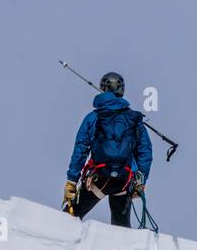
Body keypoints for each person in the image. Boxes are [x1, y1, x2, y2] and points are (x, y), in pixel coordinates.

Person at [63, 71, 153, 228]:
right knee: (121, 229)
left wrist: (72, 180)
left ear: (102, 88)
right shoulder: (133, 119)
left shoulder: (93, 117)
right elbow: (145, 152)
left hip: (98, 178)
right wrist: (141, 182)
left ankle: (55, 244)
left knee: (69, 217)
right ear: (122, 90)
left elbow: (81, 149)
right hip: (124, 180)